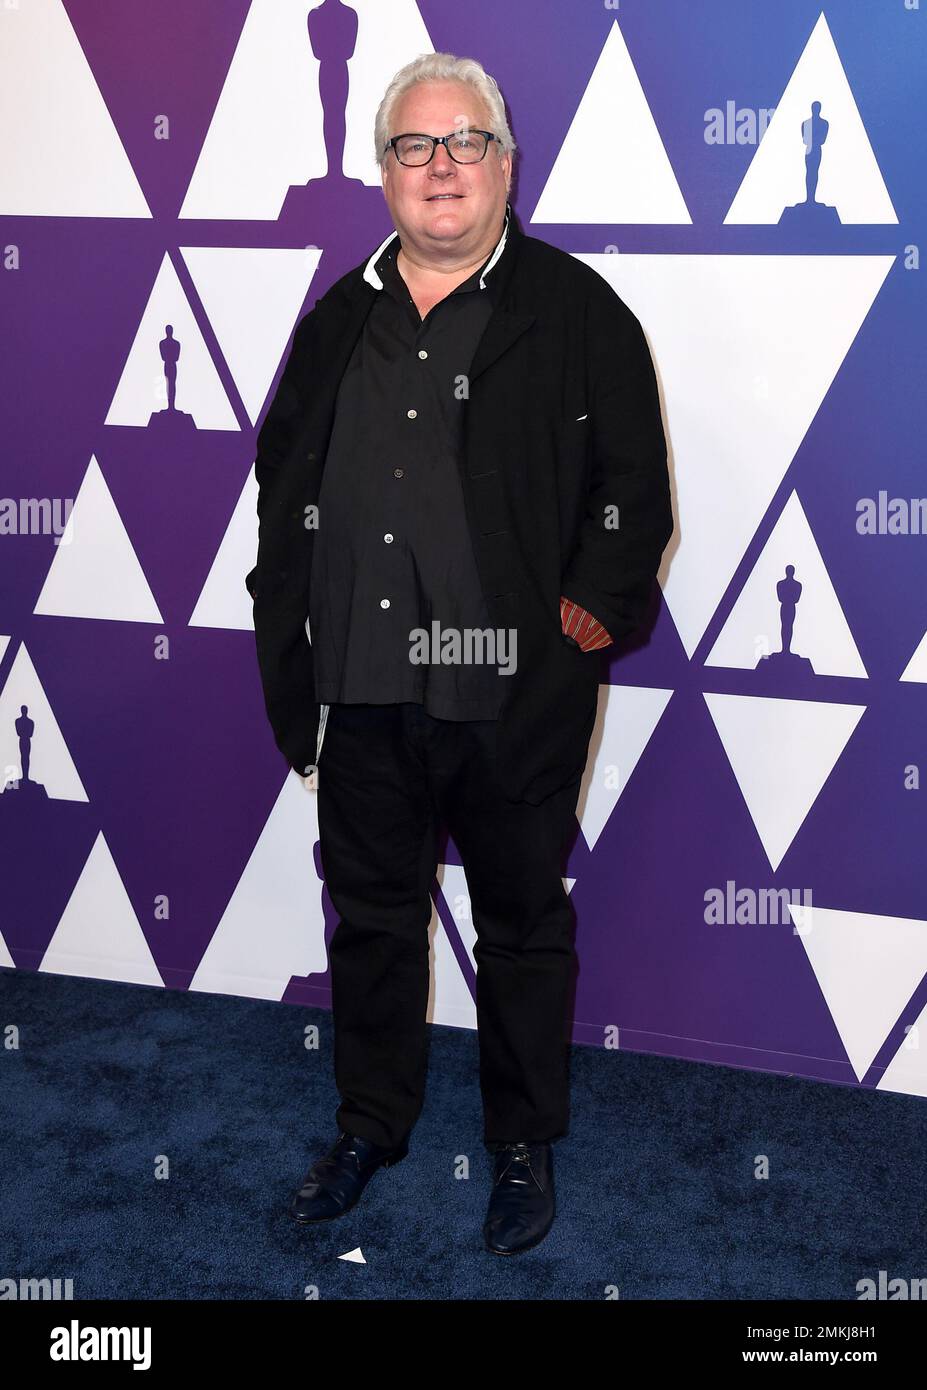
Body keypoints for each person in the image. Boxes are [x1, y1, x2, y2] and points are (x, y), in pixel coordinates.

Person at [245, 52, 674, 1255]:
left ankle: (523, 1142)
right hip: (366, 690)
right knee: (371, 917)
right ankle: (371, 1123)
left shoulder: (581, 313)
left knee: (521, 924)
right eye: (414, 148)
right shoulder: (340, 317)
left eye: (464, 143)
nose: (441, 169)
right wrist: (291, 617)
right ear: (384, 173)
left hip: (507, 692)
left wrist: (590, 613)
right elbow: (284, 478)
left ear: (505, 163)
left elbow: (632, 490)